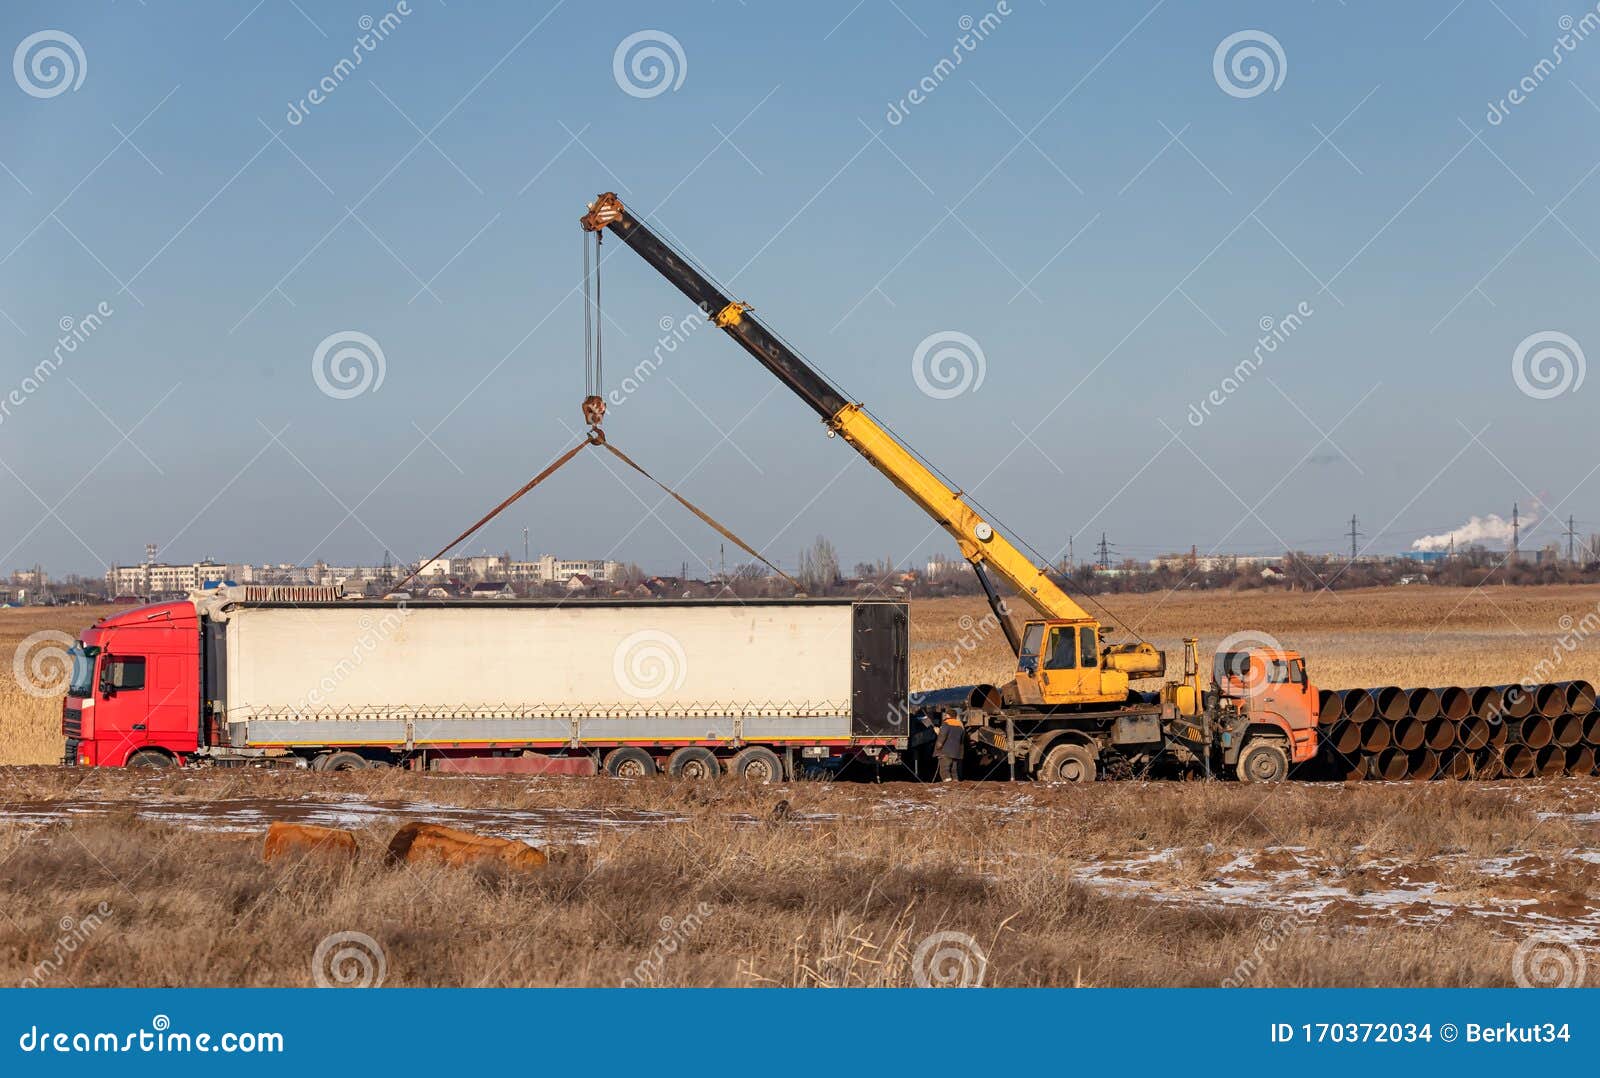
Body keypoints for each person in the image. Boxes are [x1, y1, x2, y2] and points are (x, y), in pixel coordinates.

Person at [933, 712, 965, 782]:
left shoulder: (946, 724)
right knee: (954, 771)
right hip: (956, 753)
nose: (945, 716)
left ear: (948, 715)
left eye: (946, 715)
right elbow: (961, 739)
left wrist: (938, 733)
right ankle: (955, 784)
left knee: (945, 770)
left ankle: (948, 785)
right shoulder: (960, 725)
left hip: (945, 752)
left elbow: (942, 737)